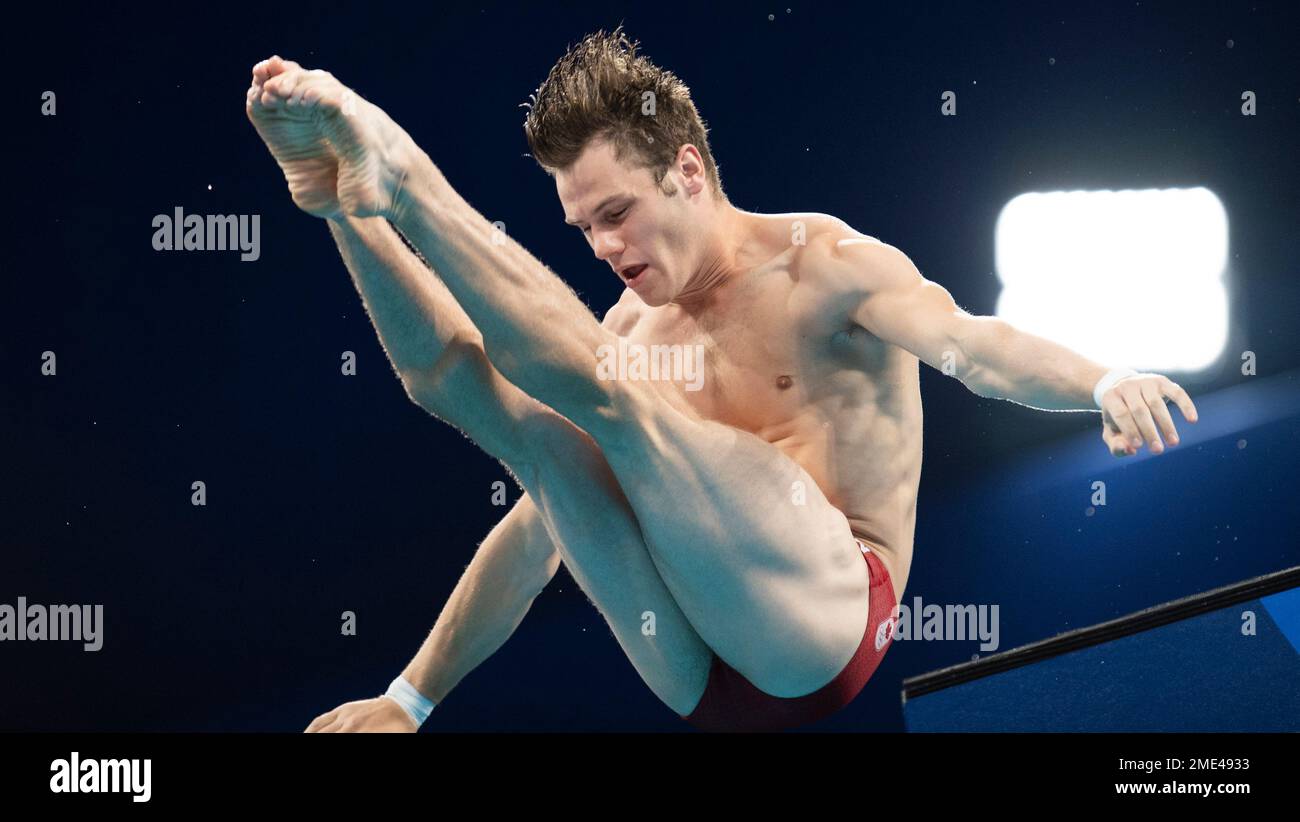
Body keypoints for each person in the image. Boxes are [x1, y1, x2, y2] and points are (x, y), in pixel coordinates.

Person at [245, 28, 1199, 733]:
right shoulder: (629, 330)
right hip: (705, 691)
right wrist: (410, 699)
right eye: (584, 229)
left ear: (688, 171)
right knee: (524, 427)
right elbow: (535, 530)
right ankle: (346, 203)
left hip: (827, 621)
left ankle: (403, 175)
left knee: (608, 393)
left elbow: (971, 345)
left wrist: (1102, 378)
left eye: (617, 212)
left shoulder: (819, 264)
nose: (606, 247)